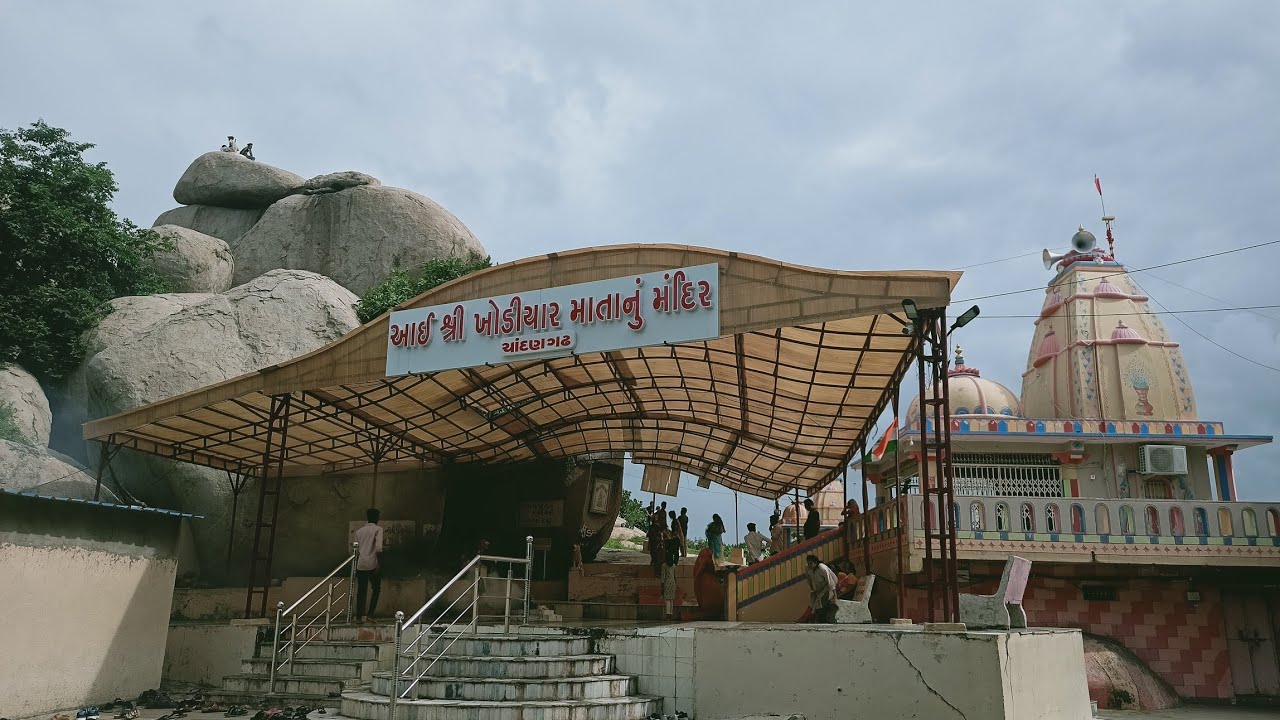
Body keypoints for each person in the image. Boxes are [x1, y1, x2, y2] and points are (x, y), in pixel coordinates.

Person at [353, 508, 384, 622]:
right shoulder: (378, 529)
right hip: (373, 563)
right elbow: (379, 548)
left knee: (361, 591)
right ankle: (370, 615)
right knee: (376, 589)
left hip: (361, 563)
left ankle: (359, 617)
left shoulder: (359, 531)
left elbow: (355, 550)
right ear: (376, 518)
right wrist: (379, 565)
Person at [805, 554, 838, 623]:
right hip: (819, 587)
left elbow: (830, 581)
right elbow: (809, 580)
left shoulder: (822, 568)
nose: (809, 565)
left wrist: (835, 595)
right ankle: (817, 617)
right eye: (808, 563)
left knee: (822, 599)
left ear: (816, 563)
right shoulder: (808, 569)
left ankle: (822, 618)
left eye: (811, 563)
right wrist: (812, 590)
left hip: (829, 584)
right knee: (815, 601)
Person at [661, 528, 681, 618]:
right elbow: (675, 576)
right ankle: (671, 613)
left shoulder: (664, 565)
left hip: (666, 583)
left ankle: (667, 614)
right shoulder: (673, 565)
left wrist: (662, 586)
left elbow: (662, 576)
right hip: (673, 583)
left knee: (667, 600)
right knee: (672, 599)